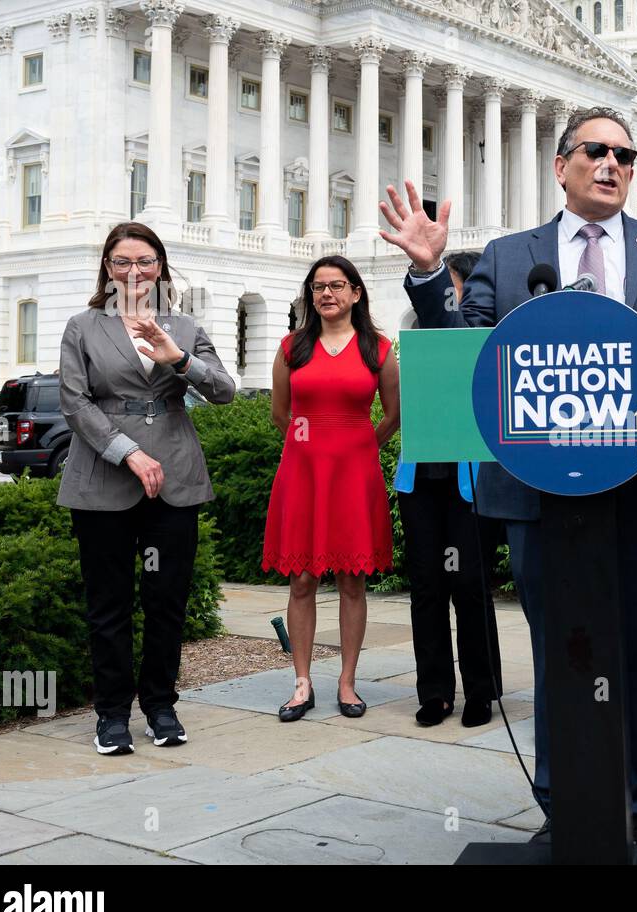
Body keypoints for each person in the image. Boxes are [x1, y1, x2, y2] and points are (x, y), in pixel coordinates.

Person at [379, 105, 637, 847]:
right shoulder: (508, 252)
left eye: (626, 156)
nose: (614, 165)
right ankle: (565, 807)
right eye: (597, 151)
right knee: (564, 649)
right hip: (541, 486)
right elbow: (467, 350)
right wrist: (430, 275)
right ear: (562, 166)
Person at [58, 222, 236, 755]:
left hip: (175, 480)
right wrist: (127, 452)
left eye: (144, 261)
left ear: (160, 265)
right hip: (104, 481)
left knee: (166, 601)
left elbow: (225, 391)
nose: (133, 271)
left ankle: (160, 705)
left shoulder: (182, 324)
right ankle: (111, 714)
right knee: (108, 603)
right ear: (107, 269)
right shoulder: (83, 326)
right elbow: (74, 402)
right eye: (121, 262)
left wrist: (176, 357)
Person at [262, 256, 401, 722]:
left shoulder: (378, 349)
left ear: (356, 293)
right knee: (301, 579)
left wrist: (358, 445)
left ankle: (347, 681)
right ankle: (301, 683)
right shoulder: (291, 347)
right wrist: (312, 444)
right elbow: (280, 414)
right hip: (302, 472)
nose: (326, 294)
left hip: (354, 475)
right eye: (318, 287)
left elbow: (393, 415)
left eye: (337, 285)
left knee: (352, 580)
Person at [394, 251, 504, 729]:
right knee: (427, 587)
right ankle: (435, 691)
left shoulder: (487, 339)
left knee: (470, 585)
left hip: (469, 480)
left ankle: (483, 690)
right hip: (420, 478)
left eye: (457, 287)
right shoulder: (418, 338)